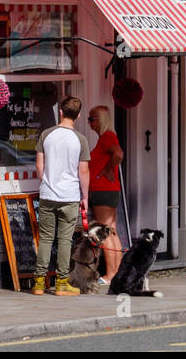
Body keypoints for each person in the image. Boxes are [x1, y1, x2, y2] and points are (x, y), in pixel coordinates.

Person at [31, 96, 90, 295]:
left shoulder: (46, 134)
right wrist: (85, 196)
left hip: (48, 194)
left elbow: (40, 166)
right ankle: (62, 283)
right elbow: (83, 171)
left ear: (61, 112)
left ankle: (39, 283)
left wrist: (46, 183)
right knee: (65, 240)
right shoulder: (81, 139)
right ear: (79, 115)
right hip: (70, 196)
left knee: (46, 238)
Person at [86, 106, 124, 283]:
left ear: (100, 120)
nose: (89, 122)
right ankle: (117, 273)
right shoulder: (105, 138)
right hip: (110, 190)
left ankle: (110, 274)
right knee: (112, 231)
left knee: (105, 232)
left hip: (103, 190)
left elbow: (118, 153)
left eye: (92, 119)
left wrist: (107, 169)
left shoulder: (108, 137)